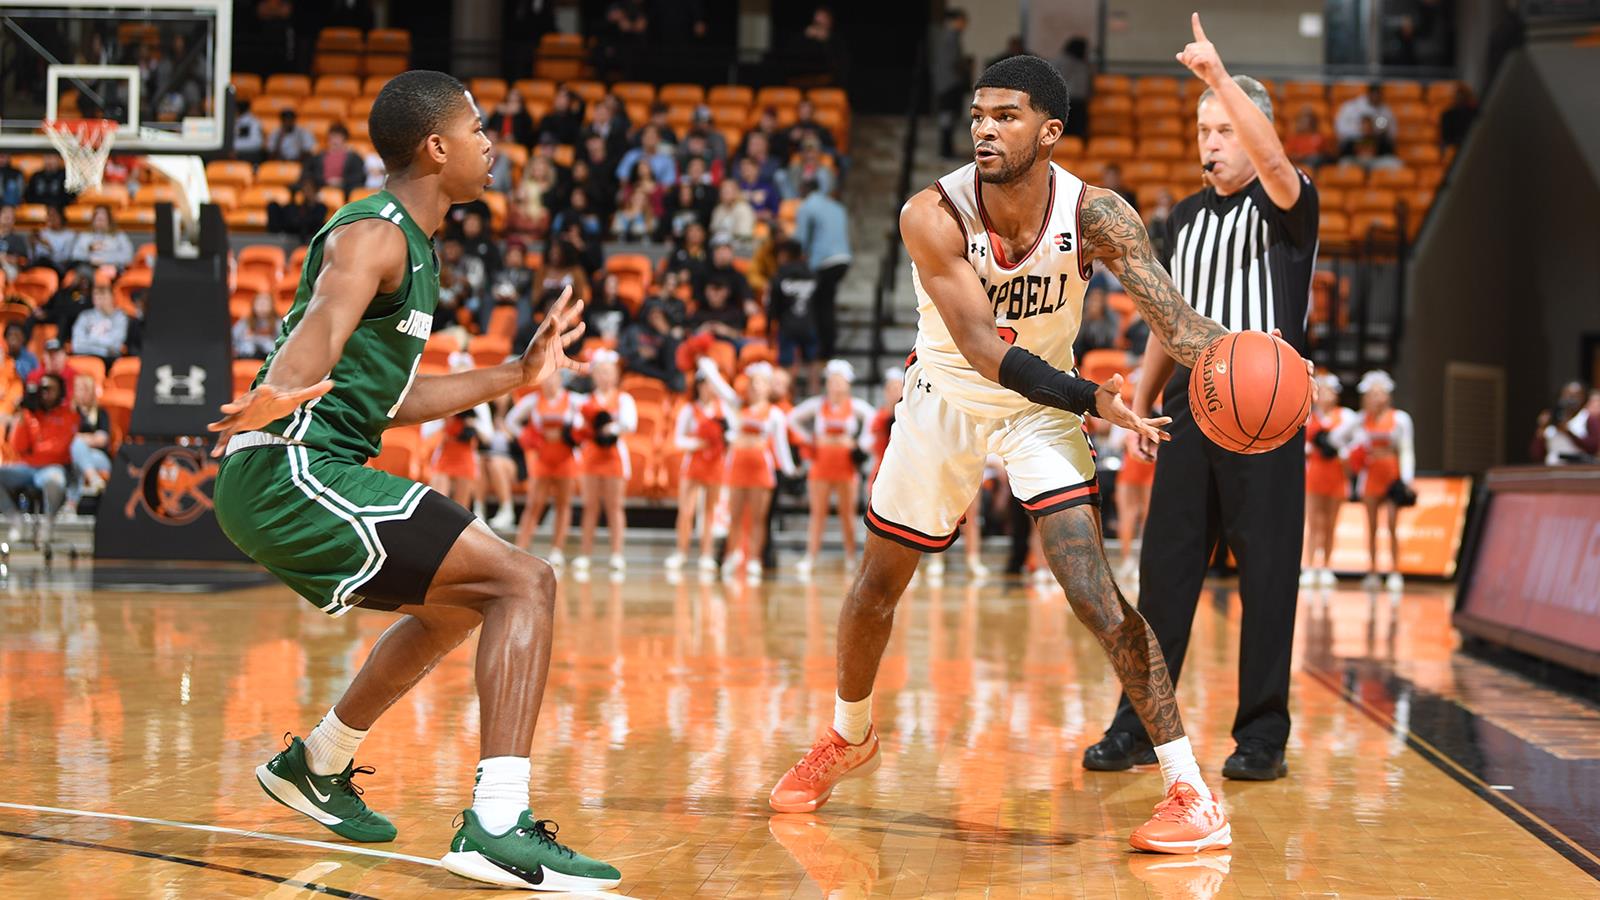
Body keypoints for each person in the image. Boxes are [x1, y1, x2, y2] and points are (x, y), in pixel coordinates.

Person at [768, 51, 1235, 854]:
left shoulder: (1098, 216)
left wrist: (1260, 359)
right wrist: (1097, 400)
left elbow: (1183, 328)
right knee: (876, 588)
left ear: (1050, 131)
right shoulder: (933, 215)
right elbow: (984, 350)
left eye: (1007, 116)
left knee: (1094, 593)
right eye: (979, 114)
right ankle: (848, 735)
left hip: (1038, 412)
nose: (985, 128)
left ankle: (1191, 788)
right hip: (948, 401)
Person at [205, 70, 621, 891]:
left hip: (310, 463)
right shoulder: (375, 232)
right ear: (436, 147)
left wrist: (518, 372)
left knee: (456, 607)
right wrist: (281, 388)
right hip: (286, 467)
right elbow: (323, 320)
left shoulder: (417, 247)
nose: (490, 144)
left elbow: (393, 400)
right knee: (524, 582)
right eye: (477, 129)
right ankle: (496, 825)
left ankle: (317, 763)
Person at [1087, 19, 1319, 789]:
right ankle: (1138, 726)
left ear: (1251, 131)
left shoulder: (1288, 205)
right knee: (1166, 580)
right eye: (1202, 130)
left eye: (1223, 129)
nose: (1209, 142)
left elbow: (1276, 160)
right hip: (1192, 404)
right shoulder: (1183, 219)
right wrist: (1145, 400)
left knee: (1268, 582)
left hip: (1266, 408)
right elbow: (1166, 316)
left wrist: (1220, 75)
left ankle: (1262, 737)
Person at [789, 359, 874, 575]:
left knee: (847, 514)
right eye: (832, 381)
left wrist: (860, 445)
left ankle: (850, 557)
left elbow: (875, 423)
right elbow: (792, 419)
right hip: (821, 465)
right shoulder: (817, 405)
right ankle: (811, 557)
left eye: (840, 381)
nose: (835, 386)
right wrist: (809, 439)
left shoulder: (856, 406)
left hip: (846, 467)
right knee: (818, 513)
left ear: (847, 384)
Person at [1340, 370, 1414, 593]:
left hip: (1391, 474)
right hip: (1370, 474)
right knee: (1371, 525)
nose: (1376, 398)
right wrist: (1349, 454)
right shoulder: (1360, 419)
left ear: (1388, 395)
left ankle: (1394, 571)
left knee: (1392, 524)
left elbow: (1407, 450)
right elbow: (1338, 437)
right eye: (1371, 394)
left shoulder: (1400, 419)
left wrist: (1407, 478)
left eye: (1380, 393)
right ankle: (1371, 571)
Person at [721, 361, 795, 582]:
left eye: (762, 383)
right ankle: (731, 556)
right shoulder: (739, 409)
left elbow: (781, 446)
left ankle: (754, 559)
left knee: (758, 518)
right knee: (734, 516)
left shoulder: (774, 414)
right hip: (738, 467)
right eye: (754, 383)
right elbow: (722, 393)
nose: (757, 387)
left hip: (761, 468)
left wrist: (790, 471)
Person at [571, 349, 636, 574]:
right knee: (589, 506)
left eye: (609, 372)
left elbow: (629, 424)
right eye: (601, 372)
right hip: (591, 458)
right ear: (594, 375)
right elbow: (578, 427)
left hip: (614, 457)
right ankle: (585, 554)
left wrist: (609, 428)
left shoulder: (624, 398)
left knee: (614, 506)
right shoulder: (585, 401)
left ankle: (617, 554)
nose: (605, 377)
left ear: (616, 375)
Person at [667, 359, 734, 573]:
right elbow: (678, 439)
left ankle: (706, 554)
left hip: (716, 464)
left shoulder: (724, 410)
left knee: (710, 512)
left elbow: (734, 433)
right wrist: (700, 442)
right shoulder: (689, 409)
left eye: (712, 384)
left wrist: (721, 440)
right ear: (698, 386)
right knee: (686, 510)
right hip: (694, 463)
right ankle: (681, 552)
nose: (709, 388)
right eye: (705, 384)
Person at [508, 371, 580, 564]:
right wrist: (526, 436)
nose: (549, 383)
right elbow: (511, 421)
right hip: (542, 459)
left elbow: (585, 421)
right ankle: (521, 548)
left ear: (560, 380)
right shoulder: (532, 400)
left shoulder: (573, 400)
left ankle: (557, 550)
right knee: (533, 504)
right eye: (546, 379)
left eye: (553, 378)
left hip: (565, 459)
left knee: (563, 505)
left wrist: (573, 434)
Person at [0, 373, 74, 545]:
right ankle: (15, 521)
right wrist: (23, 416)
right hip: (27, 468)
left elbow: (58, 449)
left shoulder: (68, 415)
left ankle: (48, 523)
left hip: (52, 467)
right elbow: (18, 447)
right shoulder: (30, 415)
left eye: (50, 389)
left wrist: (37, 448)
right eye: (42, 390)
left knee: (56, 481)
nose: (45, 394)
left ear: (60, 392)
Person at [1302, 374, 1354, 587]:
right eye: (1322, 391)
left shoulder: (1346, 416)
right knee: (1313, 522)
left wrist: (1341, 451)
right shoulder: (1308, 416)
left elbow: (1355, 444)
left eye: (1330, 391)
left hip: (1337, 473)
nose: (1326, 395)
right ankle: (1309, 566)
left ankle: (1327, 565)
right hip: (1315, 473)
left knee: (1331, 522)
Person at [795, 178, 851, 360]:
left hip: (823, 261)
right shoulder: (837, 207)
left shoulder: (806, 207)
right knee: (826, 303)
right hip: (843, 258)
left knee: (820, 306)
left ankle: (823, 349)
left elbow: (800, 241)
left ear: (804, 189)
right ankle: (828, 346)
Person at [768, 239, 822, 393]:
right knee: (812, 361)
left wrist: (771, 325)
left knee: (787, 363)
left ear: (784, 255)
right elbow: (821, 304)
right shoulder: (812, 275)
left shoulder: (780, 275)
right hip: (809, 323)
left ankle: (787, 398)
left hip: (788, 324)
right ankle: (814, 395)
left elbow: (773, 305)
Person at [931, 8, 971, 159]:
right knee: (948, 116)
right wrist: (964, 69)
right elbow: (953, 62)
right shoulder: (950, 37)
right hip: (949, 83)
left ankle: (946, 148)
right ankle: (946, 149)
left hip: (945, 83)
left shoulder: (946, 36)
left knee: (948, 116)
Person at [69, 272, 130, 368]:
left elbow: (115, 346)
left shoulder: (120, 317)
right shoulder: (85, 316)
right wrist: (102, 348)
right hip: (84, 356)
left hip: (108, 361)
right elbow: (76, 344)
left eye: (103, 295)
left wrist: (90, 341)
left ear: (112, 297)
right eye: (96, 295)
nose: (99, 299)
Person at [69, 373, 112, 497]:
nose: (81, 393)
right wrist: (89, 438)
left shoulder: (101, 413)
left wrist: (78, 439)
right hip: (75, 457)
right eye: (78, 388)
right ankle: (94, 480)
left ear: (92, 391)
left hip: (99, 457)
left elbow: (101, 440)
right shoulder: (69, 414)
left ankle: (72, 501)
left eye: (85, 389)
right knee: (76, 456)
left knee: (77, 447)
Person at [1334, 83, 1394, 157]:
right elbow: (1341, 128)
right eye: (1374, 94)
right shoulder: (1351, 107)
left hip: (1376, 146)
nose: (1376, 97)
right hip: (1354, 144)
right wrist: (1360, 131)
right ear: (1369, 94)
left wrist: (1376, 132)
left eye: (1378, 95)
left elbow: (1390, 132)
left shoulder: (1385, 111)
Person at [310, 123, 367, 198]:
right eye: (332, 137)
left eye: (337, 137)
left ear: (345, 139)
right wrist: (326, 181)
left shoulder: (354, 157)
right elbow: (313, 173)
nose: (334, 140)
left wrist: (342, 181)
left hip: (345, 190)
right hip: (321, 187)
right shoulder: (319, 156)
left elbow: (359, 176)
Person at [1053, 37, 1093, 139]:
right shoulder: (1082, 65)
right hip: (1075, 101)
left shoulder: (1059, 61)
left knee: (1064, 131)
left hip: (1066, 101)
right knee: (1076, 132)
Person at [1439, 83, 1476, 150]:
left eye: (1462, 95)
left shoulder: (1474, 113)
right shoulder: (1448, 115)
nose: (1459, 97)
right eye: (1458, 95)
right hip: (1455, 148)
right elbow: (1446, 139)